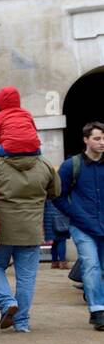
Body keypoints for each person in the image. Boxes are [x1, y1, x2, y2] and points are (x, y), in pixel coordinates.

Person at [0, 143, 59, 333]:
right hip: (31, 230)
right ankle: (22, 322)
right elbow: (55, 192)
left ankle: (7, 302)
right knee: (26, 277)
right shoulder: (44, 164)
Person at [52, 121, 104, 329]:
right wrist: (77, 215)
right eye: (97, 138)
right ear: (86, 140)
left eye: (103, 138)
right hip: (83, 227)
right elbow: (57, 196)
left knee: (100, 269)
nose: (102, 142)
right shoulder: (71, 166)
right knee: (90, 265)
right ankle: (98, 311)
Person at [0, 86, 42, 157]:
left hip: (9, 149)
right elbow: (34, 130)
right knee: (40, 155)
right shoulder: (26, 113)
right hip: (32, 148)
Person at [45, 198, 71, 269]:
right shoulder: (61, 190)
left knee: (55, 242)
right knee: (62, 240)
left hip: (48, 217)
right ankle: (63, 262)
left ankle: (54, 262)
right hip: (60, 217)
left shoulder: (48, 192)